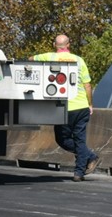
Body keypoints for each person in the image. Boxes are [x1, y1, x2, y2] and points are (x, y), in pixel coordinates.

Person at [32, 34, 99, 181]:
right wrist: (90, 104)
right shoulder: (79, 60)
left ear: (55, 45)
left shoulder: (49, 57)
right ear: (68, 45)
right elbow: (87, 85)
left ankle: (88, 157)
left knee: (62, 139)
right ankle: (79, 171)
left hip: (64, 107)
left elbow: (31, 59)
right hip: (81, 106)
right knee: (80, 140)